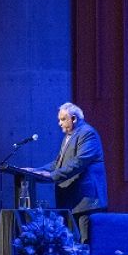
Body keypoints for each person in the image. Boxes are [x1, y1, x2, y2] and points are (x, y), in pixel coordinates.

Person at [25, 102, 108, 241]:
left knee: (86, 244)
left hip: (85, 202)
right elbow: (58, 164)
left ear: (74, 119)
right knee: (72, 245)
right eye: (59, 119)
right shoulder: (69, 137)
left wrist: (52, 176)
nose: (59, 123)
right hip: (71, 201)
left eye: (63, 119)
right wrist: (35, 171)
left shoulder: (87, 134)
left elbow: (79, 162)